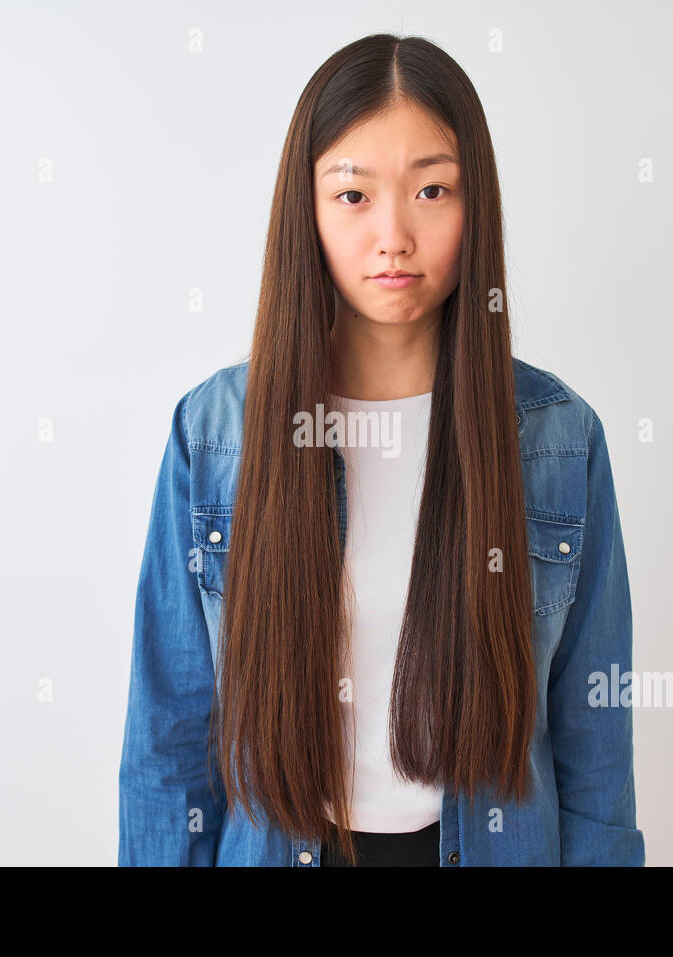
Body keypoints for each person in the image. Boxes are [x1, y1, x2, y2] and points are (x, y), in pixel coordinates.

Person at [118, 32, 645, 867]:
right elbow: (169, 745)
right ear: (309, 209)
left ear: (478, 207)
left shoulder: (558, 441)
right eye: (354, 195)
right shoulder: (216, 436)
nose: (394, 235)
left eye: (432, 189)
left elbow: (596, 749)